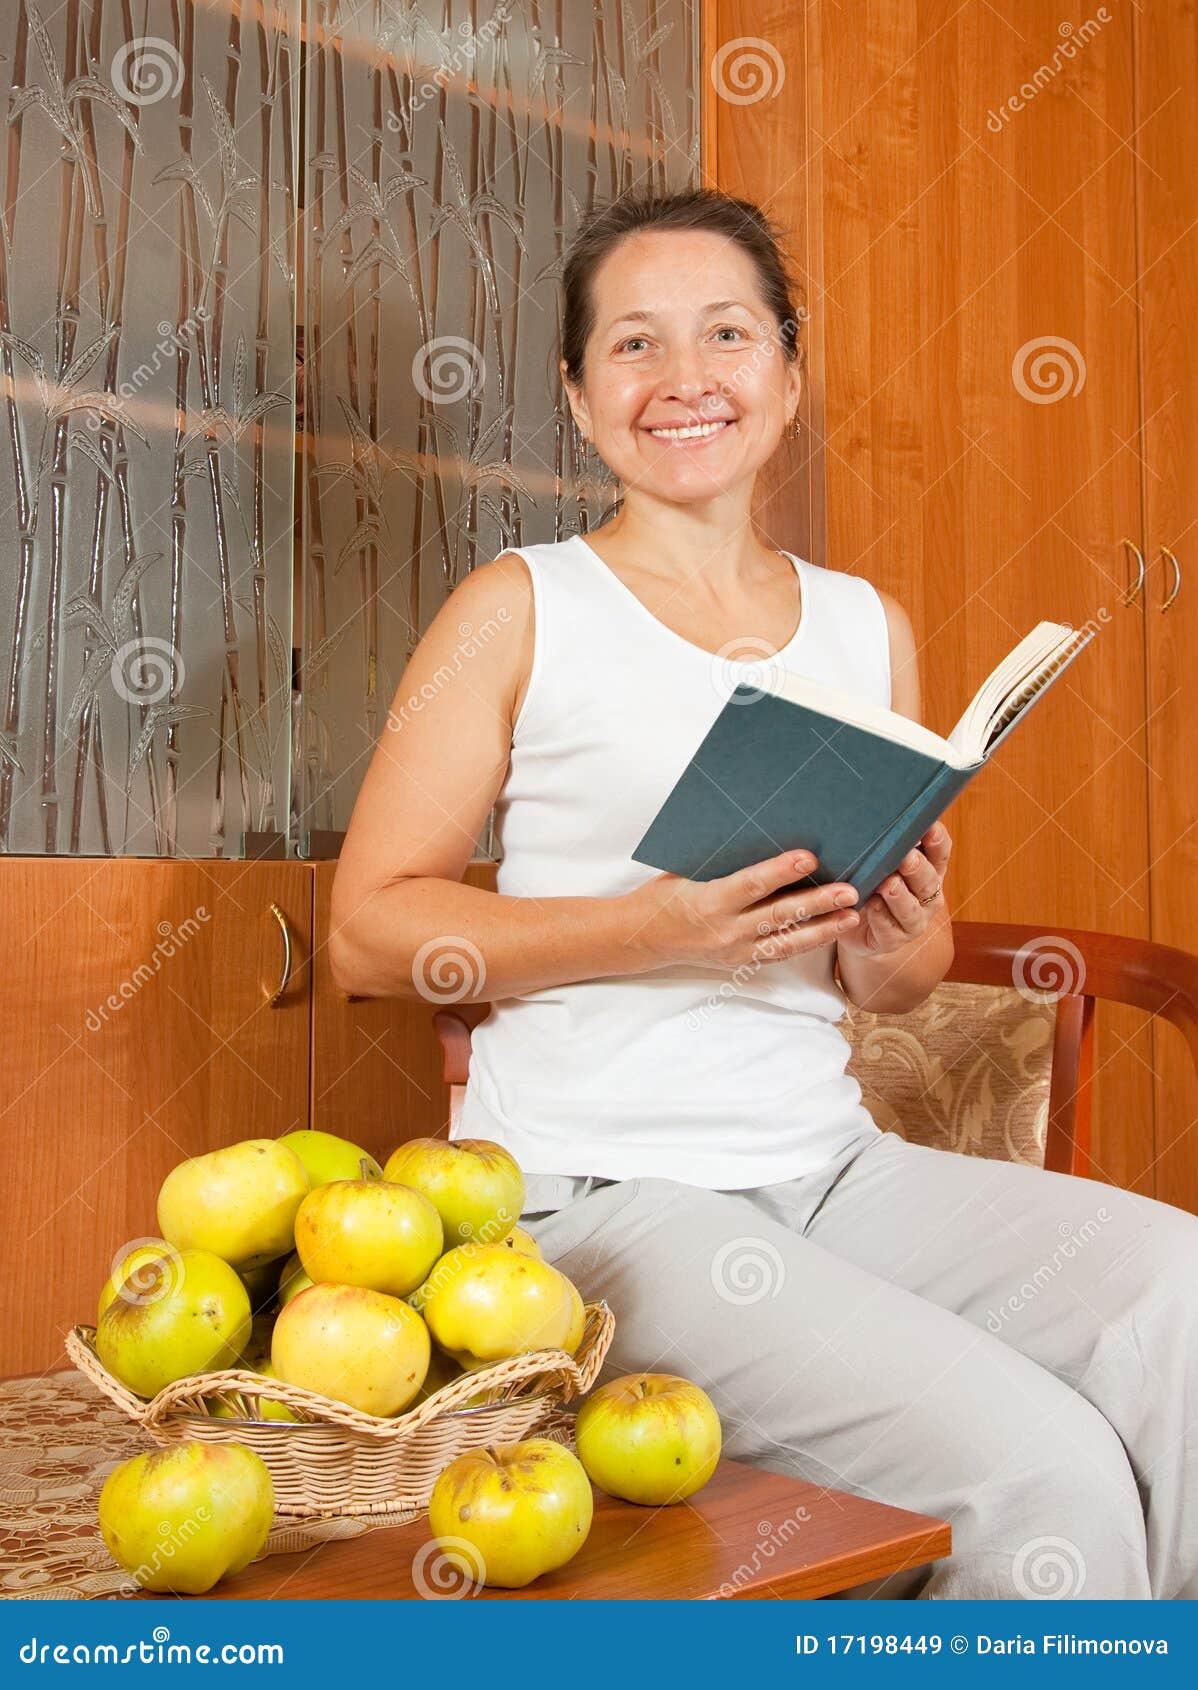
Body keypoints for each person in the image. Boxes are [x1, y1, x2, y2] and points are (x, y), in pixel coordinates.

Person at [330, 187, 1198, 1600]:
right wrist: (650, 926)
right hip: (606, 1198)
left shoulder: (864, 625)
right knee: (1044, 1471)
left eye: (726, 334)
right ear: (575, 391)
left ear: (786, 376)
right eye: (632, 344)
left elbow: (883, 986)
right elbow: (367, 928)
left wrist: (900, 929)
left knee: (1185, 1307)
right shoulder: (517, 604)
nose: (684, 378)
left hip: (831, 1168)